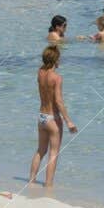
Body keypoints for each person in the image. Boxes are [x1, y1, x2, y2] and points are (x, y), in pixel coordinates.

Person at [30, 46, 76, 187]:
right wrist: (68, 121)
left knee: (40, 150)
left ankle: (31, 181)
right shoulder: (57, 78)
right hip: (52, 118)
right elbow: (58, 101)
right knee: (53, 153)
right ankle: (48, 185)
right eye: (58, 58)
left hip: (41, 117)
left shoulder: (40, 73)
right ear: (55, 60)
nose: (60, 60)